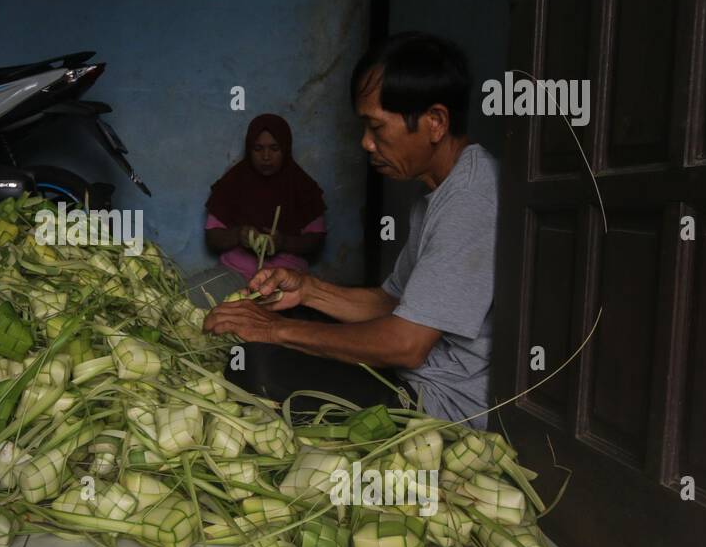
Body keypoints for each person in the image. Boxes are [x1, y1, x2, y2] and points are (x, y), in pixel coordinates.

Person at [203, 33, 498, 428]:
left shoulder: (471, 198)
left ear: (435, 122)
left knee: (257, 369)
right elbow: (390, 303)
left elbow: (406, 345)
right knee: (260, 351)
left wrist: (275, 330)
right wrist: (307, 289)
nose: (366, 143)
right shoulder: (435, 193)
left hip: (438, 402)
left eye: (376, 127)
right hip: (410, 376)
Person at [204, 113, 327, 283]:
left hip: (286, 276)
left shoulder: (301, 185)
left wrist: (283, 242)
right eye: (258, 149)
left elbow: (316, 240)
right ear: (249, 149)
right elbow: (212, 236)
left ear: (285, 149)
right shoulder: (233, 181)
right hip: (235, 272)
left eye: (274, 149)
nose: (266, 157)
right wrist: (239, 235)